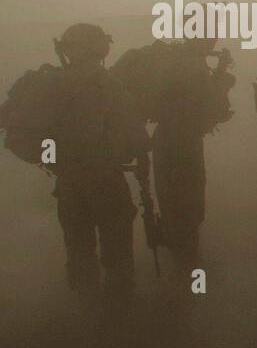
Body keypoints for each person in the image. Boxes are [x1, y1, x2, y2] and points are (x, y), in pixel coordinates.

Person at [3, 24, 149, 299]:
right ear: (99, 49)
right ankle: (119, 314)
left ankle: (86, 311)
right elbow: (134, 134)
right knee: (116, 248)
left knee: (79, 248)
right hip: (106, 180)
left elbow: (20, 135)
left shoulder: (49, 83)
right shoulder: (107, 83)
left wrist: (55, 162)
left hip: (69, 183)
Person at [112, 36, 234, 279]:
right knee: (187, 202)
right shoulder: (189, 63)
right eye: (211, 32)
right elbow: (212, 105)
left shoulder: (177, 59)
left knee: (174, 200)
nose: (214, 39)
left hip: (170, 138)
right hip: (182, 140)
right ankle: (186, 266)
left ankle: (181, 258)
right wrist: (223, 76)